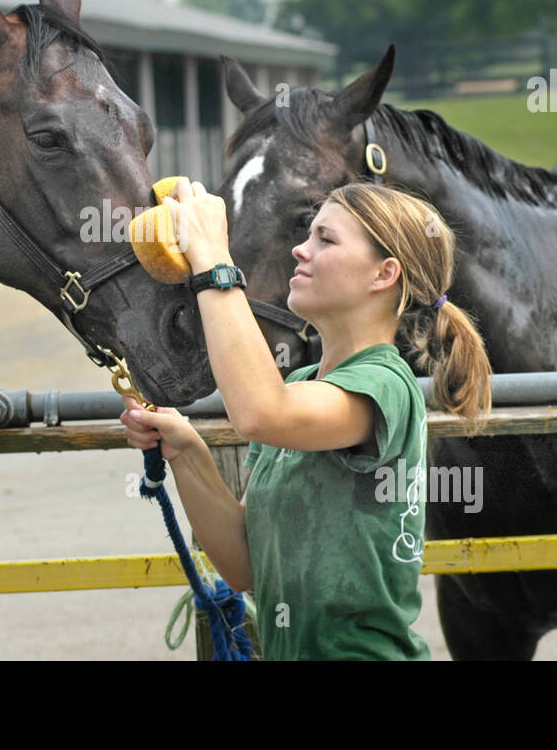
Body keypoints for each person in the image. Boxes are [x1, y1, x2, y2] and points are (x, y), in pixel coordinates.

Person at [120, 179, 492, 660]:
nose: (300, 250)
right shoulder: (297, 388)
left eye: (325, 239)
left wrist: (212, 258)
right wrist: (186, 452)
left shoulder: (387, 385)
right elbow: (246, 565)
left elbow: (260, 412)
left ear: (384, 274)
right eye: (308, 235)